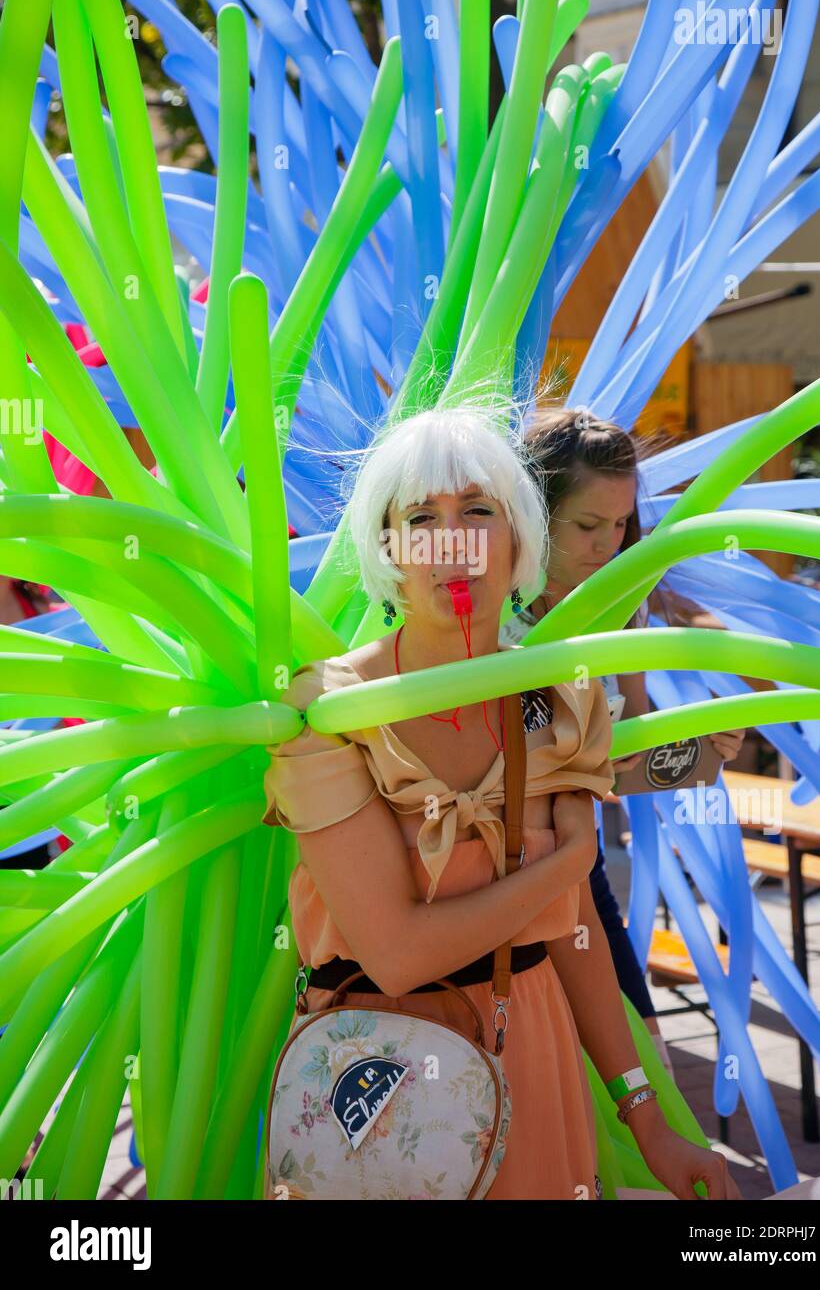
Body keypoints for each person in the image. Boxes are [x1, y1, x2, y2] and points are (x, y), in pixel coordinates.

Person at [260, 405, 741, 1200]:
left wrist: (648, 1118)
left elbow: (575, 941)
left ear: (520, 536)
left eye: (479, 511)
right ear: (388, 546)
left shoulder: (559, 699)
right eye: (422, 516)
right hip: (372, 1076)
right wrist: (569, 865)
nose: (454, 541)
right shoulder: (330, 709)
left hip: (533, 1058)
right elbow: (400, 953)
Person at [500, 407, 746, 1076]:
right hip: (485, 892)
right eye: (587, 525)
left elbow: (622, 769)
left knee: (645, 1073)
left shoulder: (625, 609)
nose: (608, 545)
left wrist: (701, 754)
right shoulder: (484, 618)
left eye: (620, 525)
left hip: (578, 878)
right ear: (531, 514)